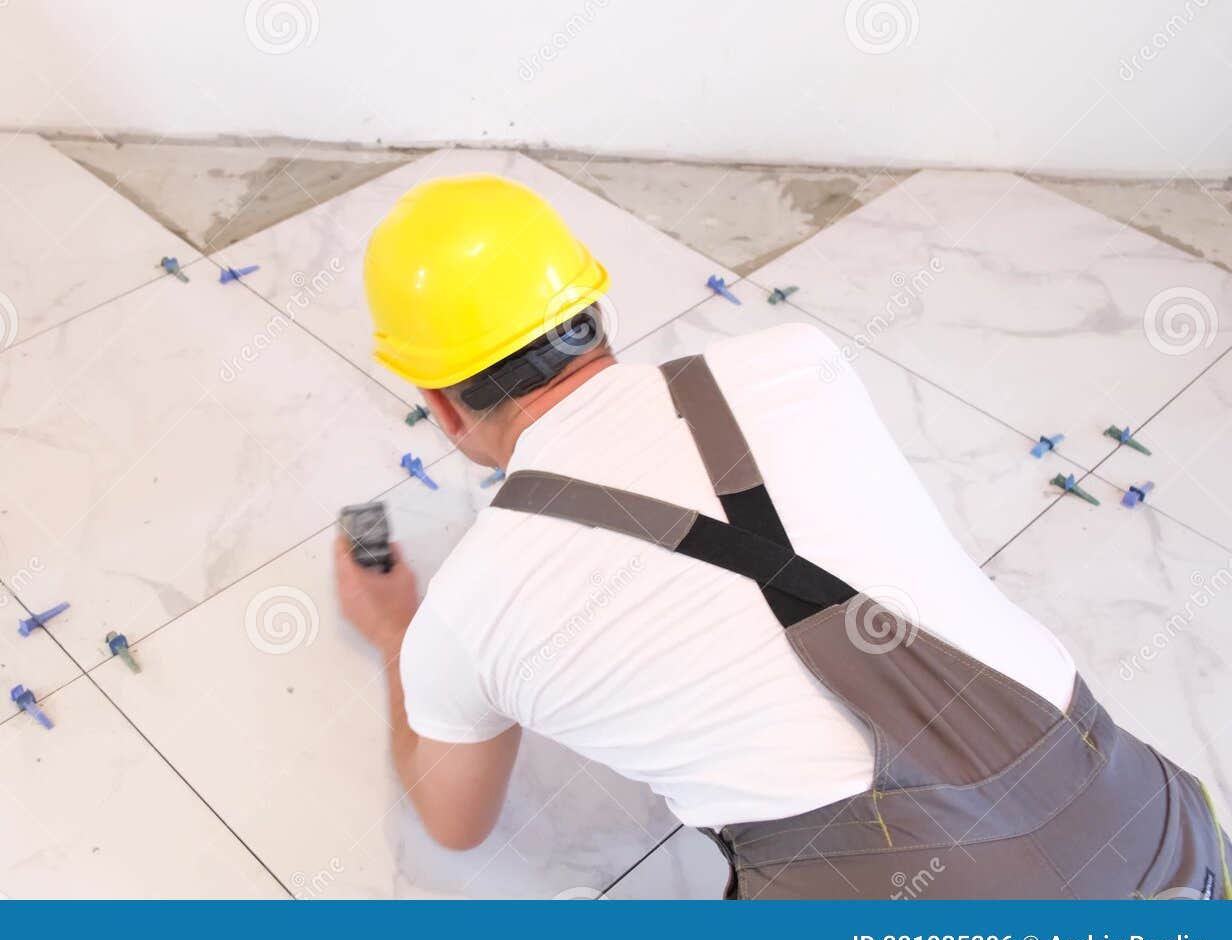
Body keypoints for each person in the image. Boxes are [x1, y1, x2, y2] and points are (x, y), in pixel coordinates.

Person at [333, 173, 1231, 898]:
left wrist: (394, 632)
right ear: (593, 314)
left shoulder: (466, 612)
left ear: (442, 404)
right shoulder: (801, 357)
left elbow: (454, 824)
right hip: (1167, 841)